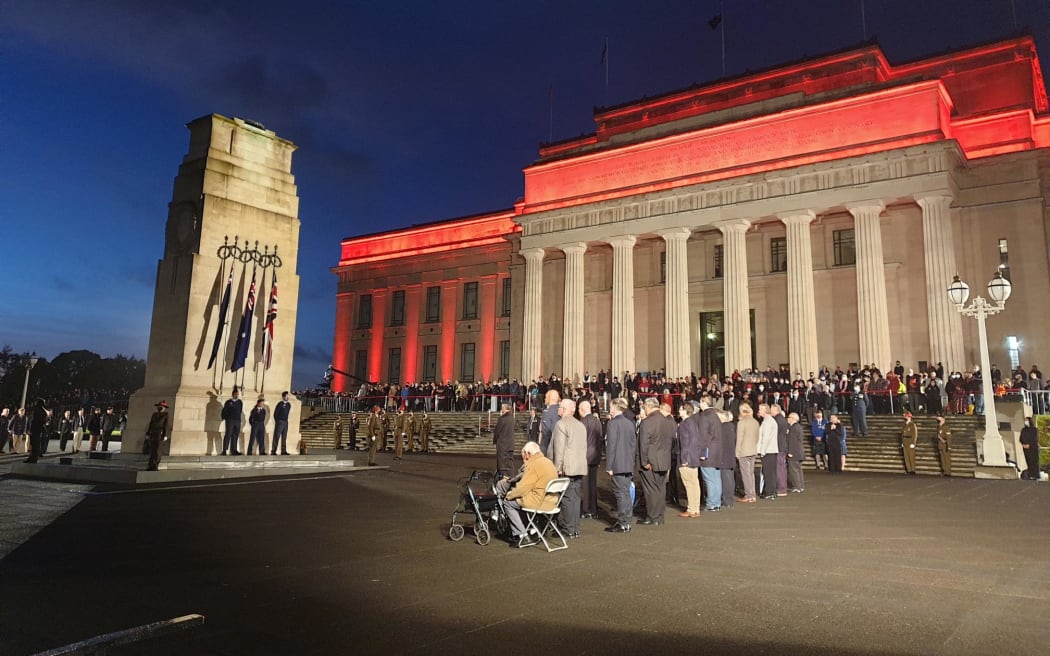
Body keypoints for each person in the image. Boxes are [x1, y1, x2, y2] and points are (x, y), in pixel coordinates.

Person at [503, 441, 558, 548]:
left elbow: (523, 488)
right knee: (521, 500)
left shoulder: (534, 465)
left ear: (528, 454)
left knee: (508, 503)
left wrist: (509, 495)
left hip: (539, 502)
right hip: (552, 501)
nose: (523, 459)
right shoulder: (548, 462)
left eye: (524, 456)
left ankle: (522, 535)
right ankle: (531, 529)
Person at [549, 399, 586, 539]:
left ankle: (568, 528)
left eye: (559, 407)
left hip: (567, 467)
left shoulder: (561, 424)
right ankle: (575, 528)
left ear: (563, 409)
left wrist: (557, 467)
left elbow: (559, 449)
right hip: (579, 466)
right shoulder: (580, 425)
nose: (557, 409)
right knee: (575, 498)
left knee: (566, 498)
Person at [637, 398, 674, 525]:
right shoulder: (667, 421)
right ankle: (659, 516)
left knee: (651, 490)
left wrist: (644, 462)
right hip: (664, 460)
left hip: (651, 462)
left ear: (648, 406)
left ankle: (652, 516)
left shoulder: (647, 422)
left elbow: (643, 444)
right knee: (660, 489)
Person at [604, 397, 637, 533]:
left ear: (614, 408)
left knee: (620, 493)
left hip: (617, 464)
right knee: (626, 493)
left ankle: (622, 522)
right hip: (628, 463)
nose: (609, 409)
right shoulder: (630, 423)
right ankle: (627, 521)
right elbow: (633, 444)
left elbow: (611, 446)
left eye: (610, 407)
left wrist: (609, 466)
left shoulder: (612, 424)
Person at [695, 394, 723, 512]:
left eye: (700, 402)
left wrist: (701, 452)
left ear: (704, 402)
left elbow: (703, 437)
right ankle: (716, 502)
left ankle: (711, 503)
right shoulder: (715, 415)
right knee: (716, 478)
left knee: (709, 479)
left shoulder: (705, 416)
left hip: (708, 452)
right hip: (716, 452)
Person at [676, 402, 702, 517]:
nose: (679, 411)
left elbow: (685, 443)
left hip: (687, 458)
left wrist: (684, 459)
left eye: (680, 409)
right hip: (694, 458)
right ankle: (696, 508)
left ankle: (691, 509)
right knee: (695, 484)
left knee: (689, 485)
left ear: (685, 410)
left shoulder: (684, 424)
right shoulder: (693, 423)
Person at [579, 400, 603, 519]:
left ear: (582, 410)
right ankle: (593, 508)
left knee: (585, 484)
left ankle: (586, 509)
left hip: (585, 456)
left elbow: (581, 441)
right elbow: (600, 439)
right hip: (595, 455)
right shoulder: (597, 421)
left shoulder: (582, 422)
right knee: (593, 483)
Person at [735, 403, 759, 502]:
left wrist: (737, 452)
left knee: (745, 474)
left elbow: (739, 439)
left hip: (744, 451)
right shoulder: (755, 422)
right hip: (753, 450)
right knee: (751, 473)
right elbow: (757, 437)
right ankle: (752, 494)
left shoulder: (741, 422)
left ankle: (749, 495)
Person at [757, 404, 780, 499]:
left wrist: (762, 451)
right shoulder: (770, 420)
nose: (758, 411)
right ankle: (772, 491)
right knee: (771, 472)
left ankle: (770, 492)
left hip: (768, 451)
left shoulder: (767, 422)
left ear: (765, 410)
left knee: (768, 472)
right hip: (771, 450)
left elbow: (765, 438)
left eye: (760, 409)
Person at [718, 410, 737, 508]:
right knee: (729, 479)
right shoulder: (731, 427)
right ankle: (729, 499)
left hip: (724, 457)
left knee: (725, 480)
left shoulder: (722, 428)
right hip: (730, 456)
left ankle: (727, 500)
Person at [493, 403, 516, 477]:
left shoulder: (502, 419)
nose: (501, 409)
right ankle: (511, 476)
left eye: (502, 407)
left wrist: (494, 440)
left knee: (502, 463)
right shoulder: (512, 418)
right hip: (510, 444)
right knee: (510, 462)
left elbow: (497, 431)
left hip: (502, 444)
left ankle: (503, 478)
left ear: (504, 408)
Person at [145, 400, 170, 471]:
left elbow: (166, 425)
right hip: (153, 432)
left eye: (162, 406)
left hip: (160, 433)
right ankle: (151, 465)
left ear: (164, 408)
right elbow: (151, 424)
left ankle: (155, 465)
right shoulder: (154, 414)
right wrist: (148, 433)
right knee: (152, 449)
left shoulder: (166, 415)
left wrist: (165, 435)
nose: (160, 407)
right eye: (159, 406)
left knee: (157, 450)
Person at [24, 399, 50, 463]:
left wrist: (30, 429)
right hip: (39, 429)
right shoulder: (43, 411)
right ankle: (33, 457)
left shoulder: (36, 410)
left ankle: (33, 458)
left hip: (35, 429)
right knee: (36, 444)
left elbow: (33, 420)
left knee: (34, 444)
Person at [786, 412, 806, 493]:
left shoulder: (793, 428)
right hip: (799, 451)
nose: (787, 419)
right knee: (798, 470)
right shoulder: (799, 427)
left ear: (792, 419)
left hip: (794, 452)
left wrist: (790, 452)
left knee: (793, 470)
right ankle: (801, 486)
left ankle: (797, 486)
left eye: (788, 417)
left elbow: (792, 441)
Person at [221, 387, 244, 456]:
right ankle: (224, 450)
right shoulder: (228, 402)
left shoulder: (240, 402)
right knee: (228, 434)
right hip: (230, 420)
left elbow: (240, 410)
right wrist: (226, 418)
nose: (236, 395)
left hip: (237, 420)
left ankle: (234, 450)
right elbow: (224, 411)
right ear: (232, 394)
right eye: (235, 394)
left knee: (235, 435)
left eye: (237, 394)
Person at [539, 389, 560, 455]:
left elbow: (546, 431)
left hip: (547, 446)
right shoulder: (560, 410)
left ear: (550, 398)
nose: (545, 399)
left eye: (546, 397)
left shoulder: (548, 412)